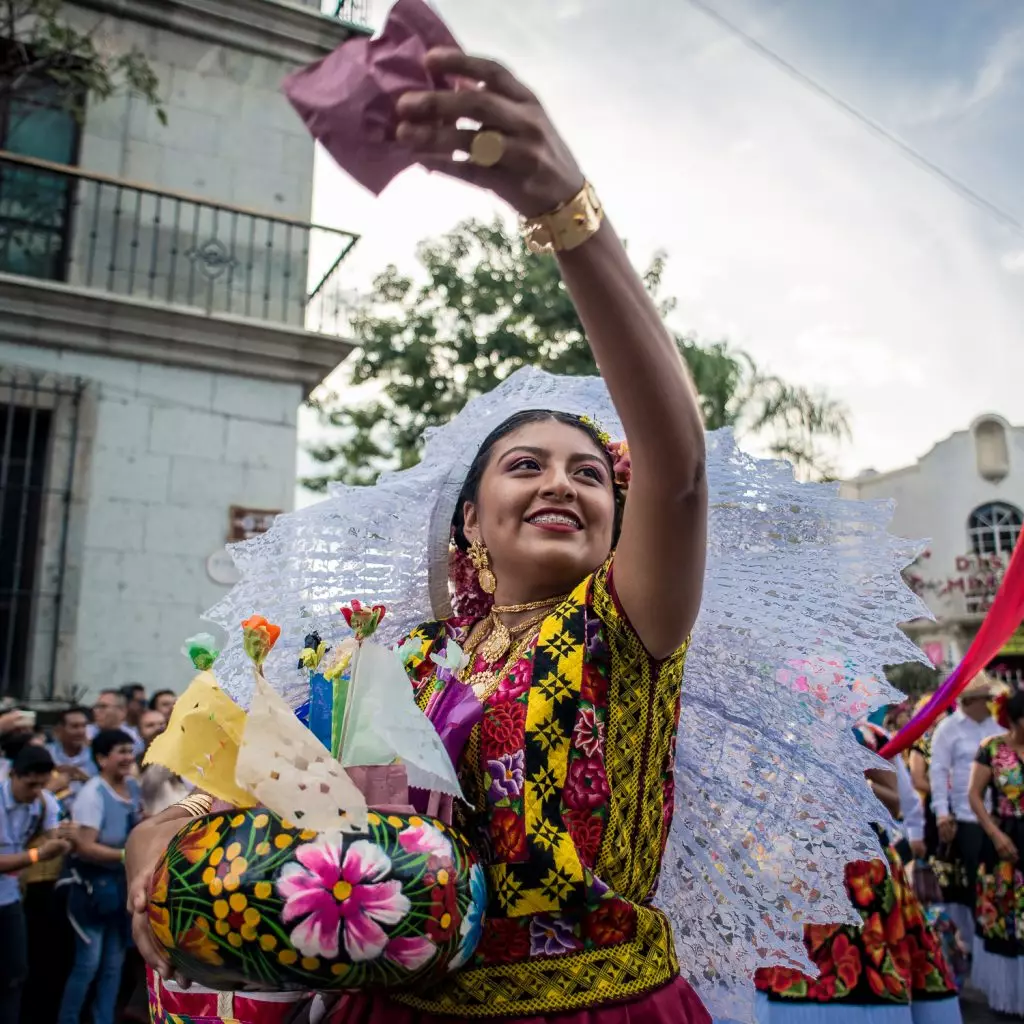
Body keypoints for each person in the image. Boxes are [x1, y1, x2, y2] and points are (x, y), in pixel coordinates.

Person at [125, 40, 931, 1024]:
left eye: (590, 474)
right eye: (527, 465)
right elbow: (264, 792)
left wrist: (566, 209)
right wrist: (165, 837)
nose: (562, 482)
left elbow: (676, 473)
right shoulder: (391, 660)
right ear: (469, 523)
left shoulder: (622, 635)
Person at [754, 722, 961, 1023]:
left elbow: (896, 803)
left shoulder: (866, 737)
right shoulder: (782, 729)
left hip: (864, 871)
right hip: (803, 870)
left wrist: (854, 779)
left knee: (870, 962)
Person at [57, 729, 142, 1024]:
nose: (128, 758)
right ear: (102, 758)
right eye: (121, 751)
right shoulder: (93, 793)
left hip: (119, 889)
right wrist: (125, 855)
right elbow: (84, 846)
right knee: (88, 964)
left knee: (113, 965)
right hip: (91, 892)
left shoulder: (133, 787)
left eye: (130, 751)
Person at [0, 745, 72, 1024]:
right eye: (30, 785)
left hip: (9, 899)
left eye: (42, 785)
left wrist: (64, 838)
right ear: (13, 775)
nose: (35, 792)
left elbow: (56, 834)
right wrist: (37, 855)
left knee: (16, 972)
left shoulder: (43, 802)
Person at [929, 673, 1003, 937]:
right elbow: (938, 772)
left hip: (998, 819)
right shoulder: (948, 729)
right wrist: (942, 814)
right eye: (987, 699)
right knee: (972, 883)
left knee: (998, 882)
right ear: (972, 701)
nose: (992, 704)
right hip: (966, 818)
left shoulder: (998, 728)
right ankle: (974, 940)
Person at [968, 685, 1024, 1017]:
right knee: (1007, 916)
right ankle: (1009, 997)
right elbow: (974, 795)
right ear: (1015, 720)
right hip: (1006, 839)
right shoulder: (992, 749)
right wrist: (995, 833)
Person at [48, 706, 97, 807]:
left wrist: (84, 778)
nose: (81, 731)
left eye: (84, 726)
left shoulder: (96, 756)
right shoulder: (46, 755)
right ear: (60, 730)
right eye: (75, 726)